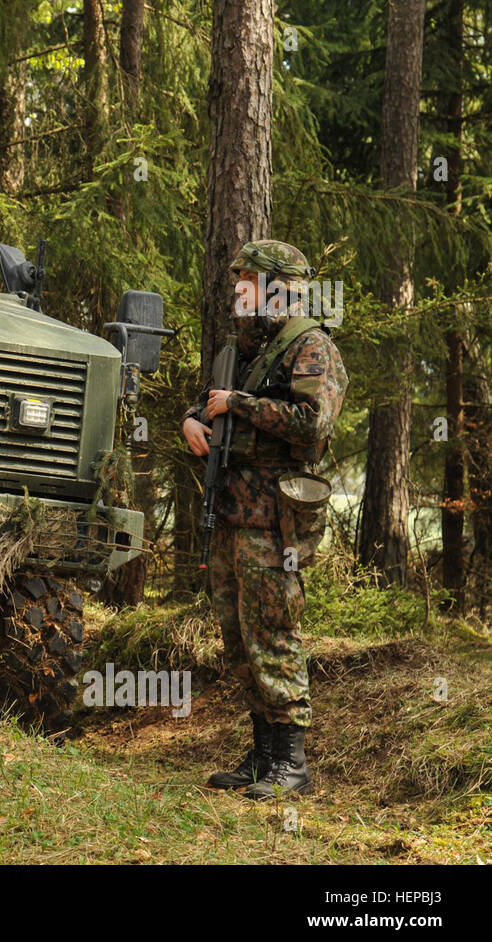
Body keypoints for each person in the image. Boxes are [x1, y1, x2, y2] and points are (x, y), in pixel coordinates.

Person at [182, 240, 348, 800]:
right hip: (232, 514)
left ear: (276, 286)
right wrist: (193, 421)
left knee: (273, 634)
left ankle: (292, 764)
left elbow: (312, 423)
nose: (236, 292)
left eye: (245, 282)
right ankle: (261, 756)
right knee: (239, 639)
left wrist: (240, 406)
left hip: (275, 522)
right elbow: (209, 404)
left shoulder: (312, 347)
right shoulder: (247, 353)